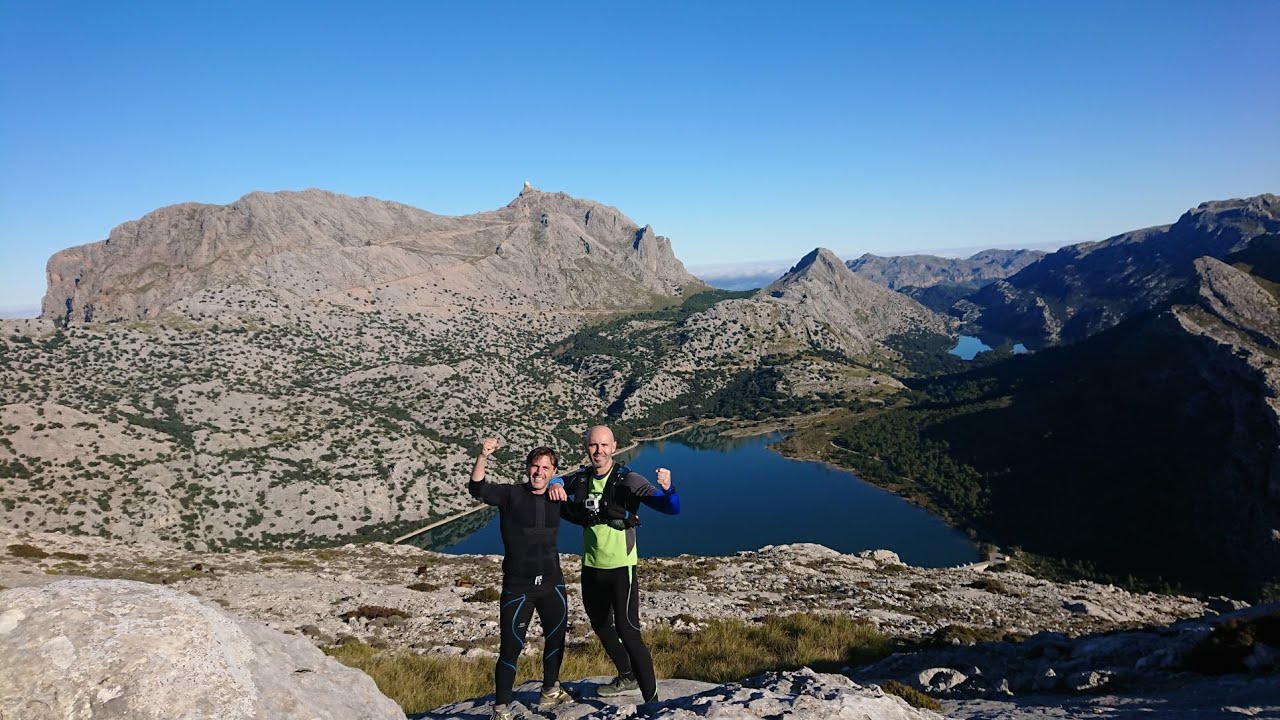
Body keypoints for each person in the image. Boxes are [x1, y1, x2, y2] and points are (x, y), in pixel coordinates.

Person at [550, 425, 680, 704]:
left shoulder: (628, 480)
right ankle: (627, 676)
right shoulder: (581, 478)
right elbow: (558, 480)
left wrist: (669, 489)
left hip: (622, 567)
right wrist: (555, 483)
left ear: (615, 446)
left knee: (629, 631)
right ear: (587, 447)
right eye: (593, 445)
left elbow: (671, 508)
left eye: (604, 445)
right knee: (600, 624)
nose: (599, 451)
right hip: (592, 566)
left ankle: (653, 702)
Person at [469, 437, 573, 720]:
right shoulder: (511, 495)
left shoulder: (556, 496)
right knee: (511, 648)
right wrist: (483, 456)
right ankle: (501, 709)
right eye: (535, 466)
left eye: (545, 468)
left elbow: (588, 500)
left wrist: (561, 485)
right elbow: (477, 488)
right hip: (519, 586)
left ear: (553, 472)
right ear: (528, 468)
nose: (539, 472)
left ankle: (550, 689)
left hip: (552, 581)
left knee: (556, 638)